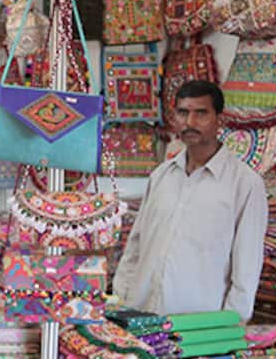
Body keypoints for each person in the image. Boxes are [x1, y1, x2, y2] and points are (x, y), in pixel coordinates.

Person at [113, 80, 267, 321]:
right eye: (183, 112)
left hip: (196, 327)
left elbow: (246, 271)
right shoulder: (161, 175)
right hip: (139, 316)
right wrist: (121, 299)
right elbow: (135, 246)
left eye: (201, 113)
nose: (190, 122)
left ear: (220, 120)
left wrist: (228, 327)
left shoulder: (245, 184)